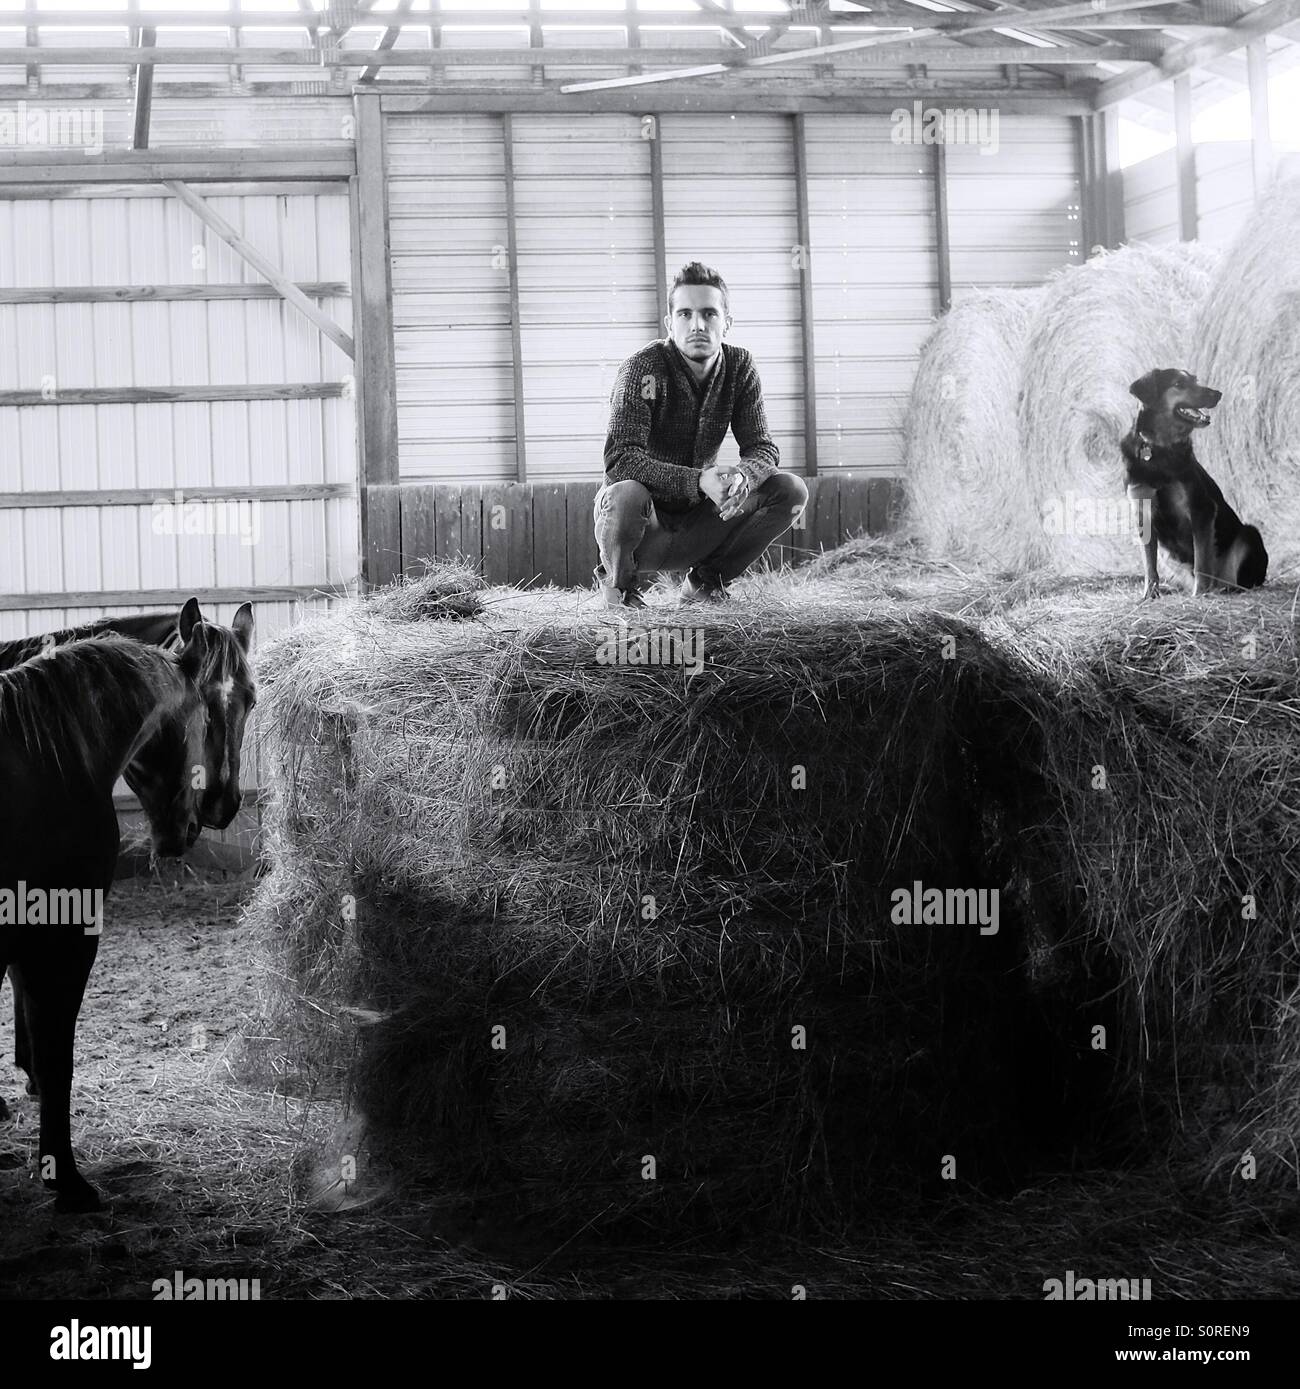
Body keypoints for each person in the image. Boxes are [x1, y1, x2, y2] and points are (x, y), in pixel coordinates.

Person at [594, 261, 808, 608]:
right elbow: (620, 460)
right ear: (669, 323)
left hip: (703, 523)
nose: (697, 325)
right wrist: (698, 481)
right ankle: (619, 591)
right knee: (626, 493)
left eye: (709, 314)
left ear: (727, 323)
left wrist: (742, 477)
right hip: (644, 528)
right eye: (685, 314)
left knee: (790, 490)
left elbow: (763, 448)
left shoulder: (740, 368)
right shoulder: (642, 369)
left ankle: (705, 583)